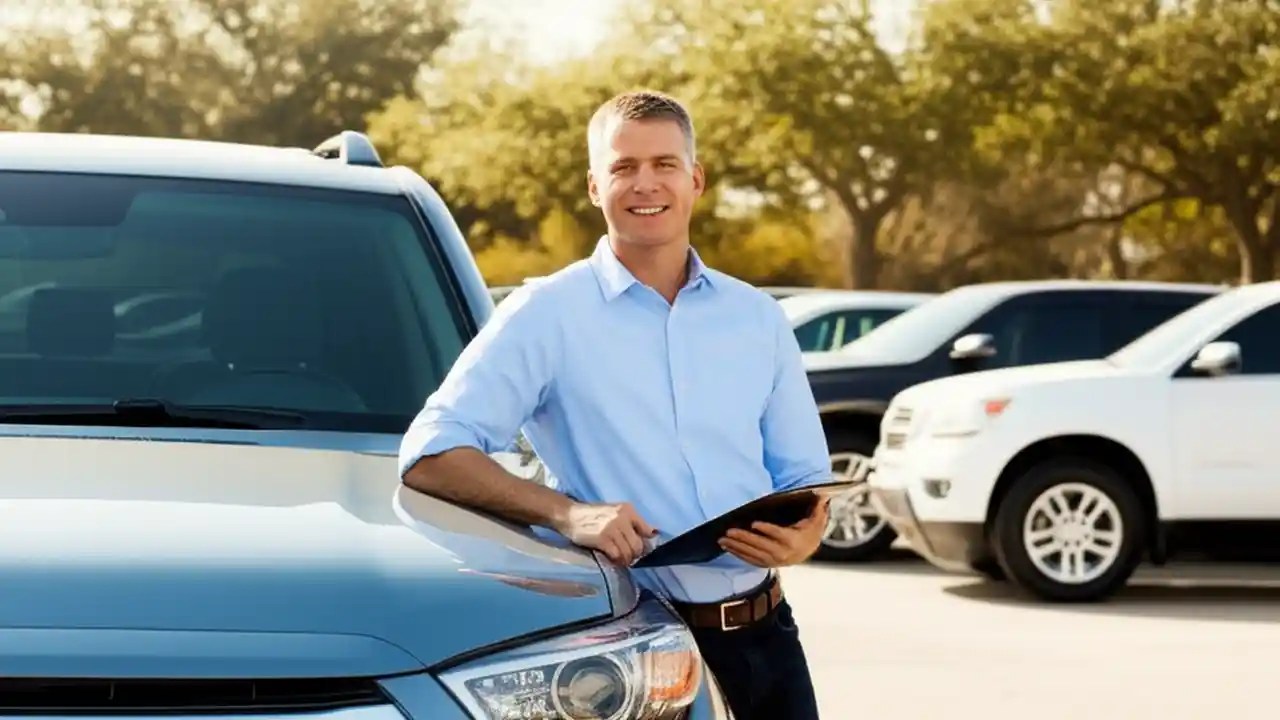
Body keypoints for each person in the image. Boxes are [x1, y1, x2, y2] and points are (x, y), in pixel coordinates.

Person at [399, 89, 830, 720]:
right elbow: (431, 451)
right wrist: (569, 514)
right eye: (623, 167)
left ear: (696, 179)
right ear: (596, 187)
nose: (645, 184)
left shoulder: (758, 318)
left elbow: (805, 482)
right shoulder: (546, 313)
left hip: (767, 638)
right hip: (634, 643)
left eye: (664, 164)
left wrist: (803, 538)